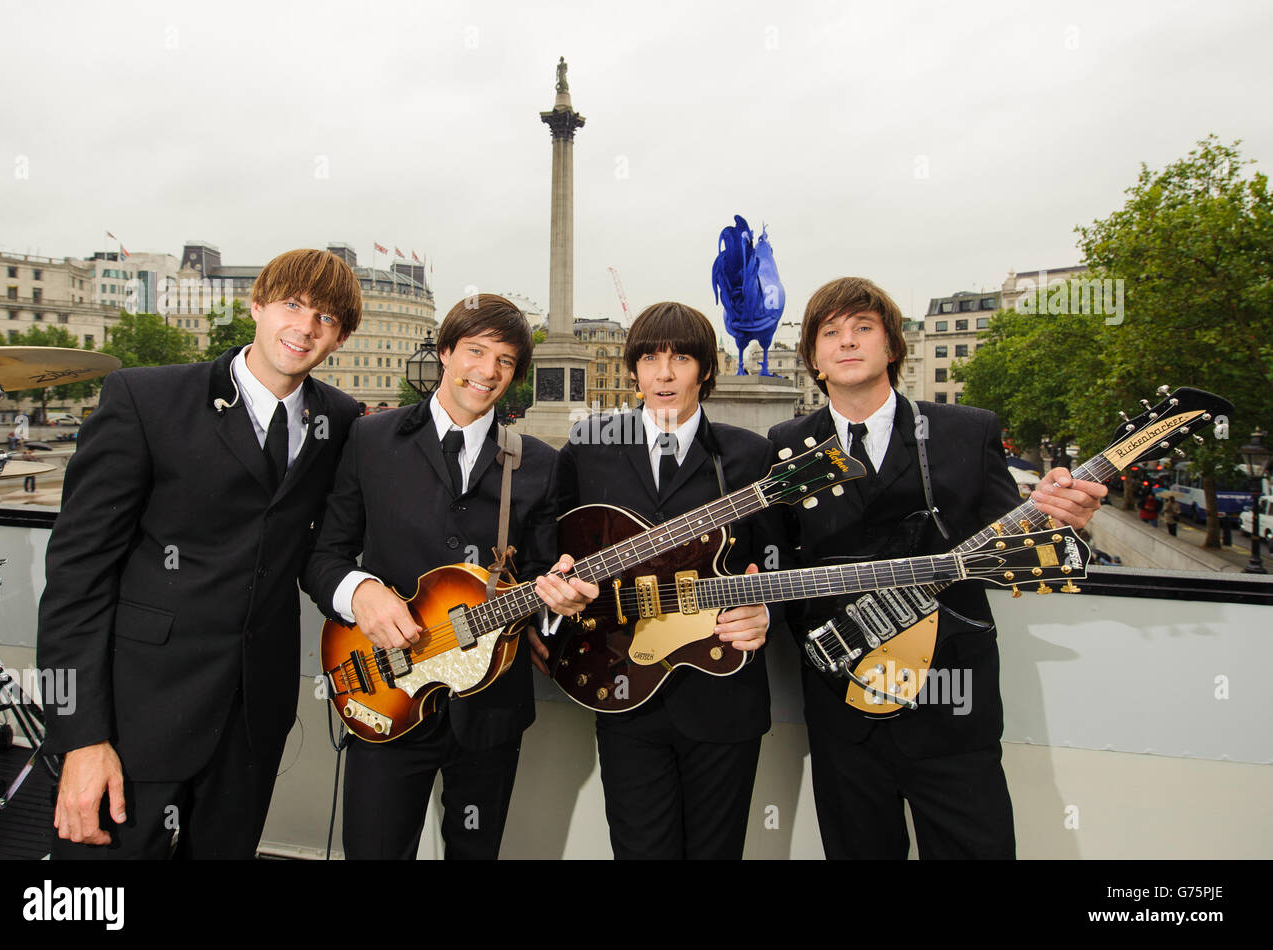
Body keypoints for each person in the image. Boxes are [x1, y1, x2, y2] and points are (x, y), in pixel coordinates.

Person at [37, 248, 364, 859]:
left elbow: (327, 546)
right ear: (257, 305)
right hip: (136, 715)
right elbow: (76, 574)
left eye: (325, 318)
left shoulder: (341, 421)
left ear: (341, 336)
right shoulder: (144, 398)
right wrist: (79, 737)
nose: (304, 327)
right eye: (292, 305)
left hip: (253, 718)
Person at [768, 277, 1105, 860]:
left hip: (952, 704)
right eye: (830, 333)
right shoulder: (786, 441)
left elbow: (1022, 543)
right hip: (842, 704)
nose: (847, 342)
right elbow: (779, 562)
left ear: (893, 347)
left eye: (863, 329)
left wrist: (1067, 518)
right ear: (814, 360)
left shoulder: (966, 431)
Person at [303, 293, 597, 860]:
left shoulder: (537, 462)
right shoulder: (370, 440)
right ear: (444, 352)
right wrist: (360, 591)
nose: (488, 372)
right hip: (385, 690)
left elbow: (539, 576)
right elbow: (323, 557)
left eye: (506, 361)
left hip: (490, 710)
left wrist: (558, 605)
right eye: (476, 351)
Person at [533, 302, 779, 859]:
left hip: (723, 693)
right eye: (649, 358)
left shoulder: (750, 455)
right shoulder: (587, 447)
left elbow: (777, 562)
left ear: (706, 370)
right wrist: (554, 603)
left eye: (681, 358)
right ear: (632, 369)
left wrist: (767, 614)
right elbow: (552, 549)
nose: (664, 374)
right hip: (623, 687)